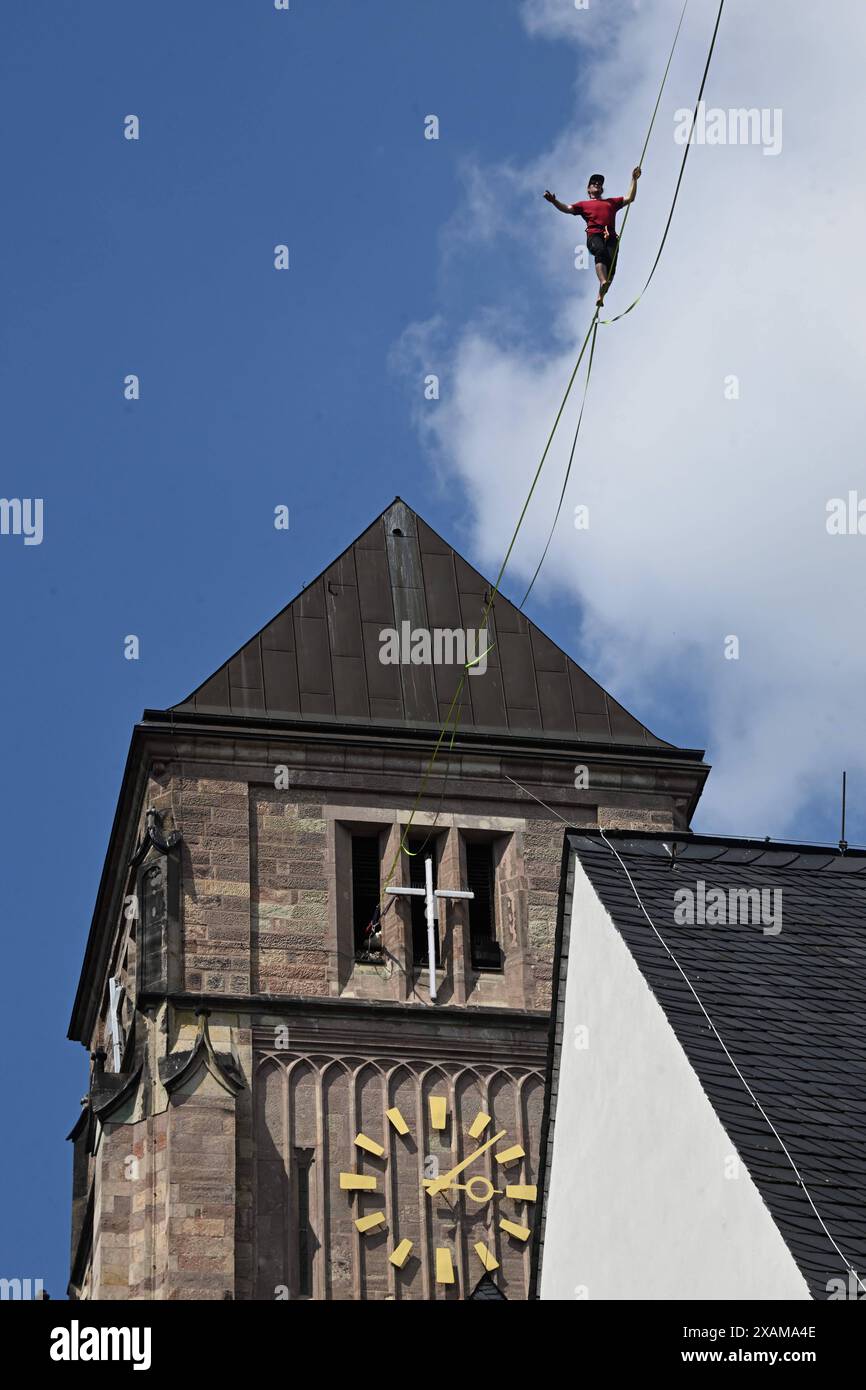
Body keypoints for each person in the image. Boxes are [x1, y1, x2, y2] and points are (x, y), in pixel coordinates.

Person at [544, 169, 641, 305]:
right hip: (595, 235)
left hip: (611, 236)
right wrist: (554, 202)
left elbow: (630, 197)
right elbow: (567, 208)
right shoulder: (583, 205)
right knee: (600, 252)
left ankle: (601, 295)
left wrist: (634, 179)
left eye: (599, 183)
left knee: (611, 265)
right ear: (588, 189)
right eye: (593, 183)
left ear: (602, 189)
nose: (597, 184)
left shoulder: (611, 202)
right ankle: (602, 281)